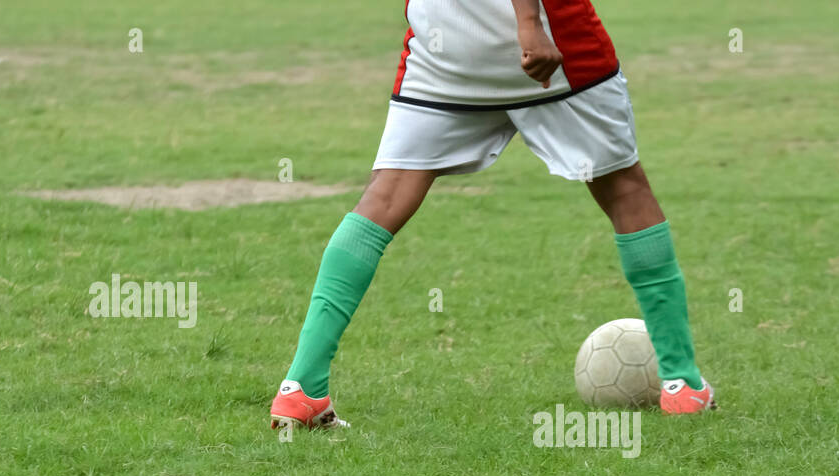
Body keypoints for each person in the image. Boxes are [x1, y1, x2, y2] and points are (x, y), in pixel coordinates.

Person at [270, 0, 715, 430]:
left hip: (446, 39)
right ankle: (681, 384)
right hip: (540, 34)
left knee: (384, 197)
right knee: (624, 189)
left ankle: (301, 387)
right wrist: (528, 23)